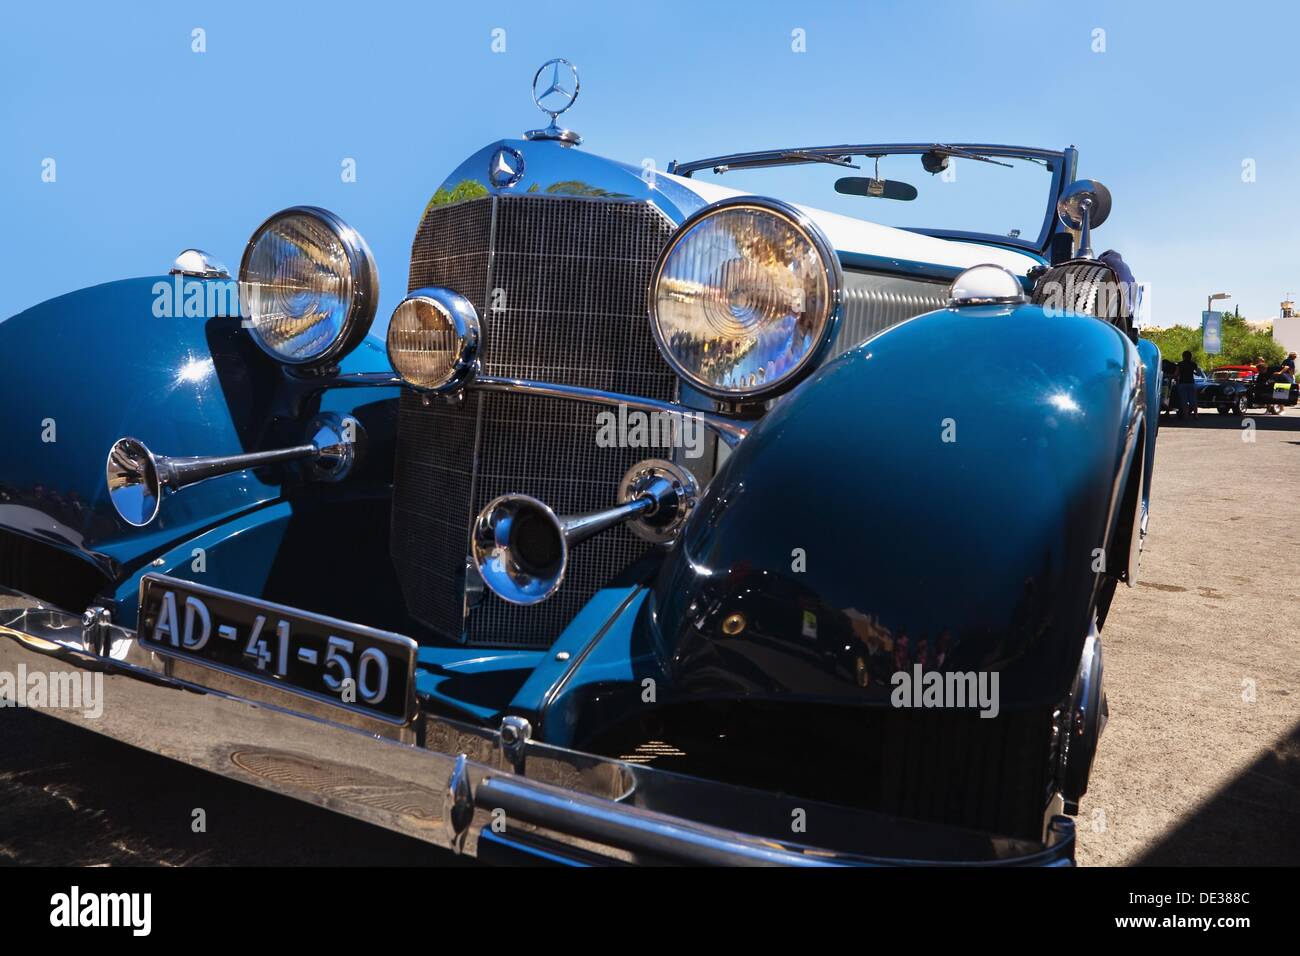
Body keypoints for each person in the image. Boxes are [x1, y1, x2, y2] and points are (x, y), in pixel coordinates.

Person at [1175, 350, 1199, 419]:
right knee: (1193, 400)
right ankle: (1196, 414)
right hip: (1191, 383)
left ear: (1183, 356)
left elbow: (1176, 374)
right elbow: (1197, 373)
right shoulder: (1193, 364)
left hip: (1182, 383)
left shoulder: (1179, 364)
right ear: (1190, 357)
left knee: (1184, 400)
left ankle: (1186, 415)